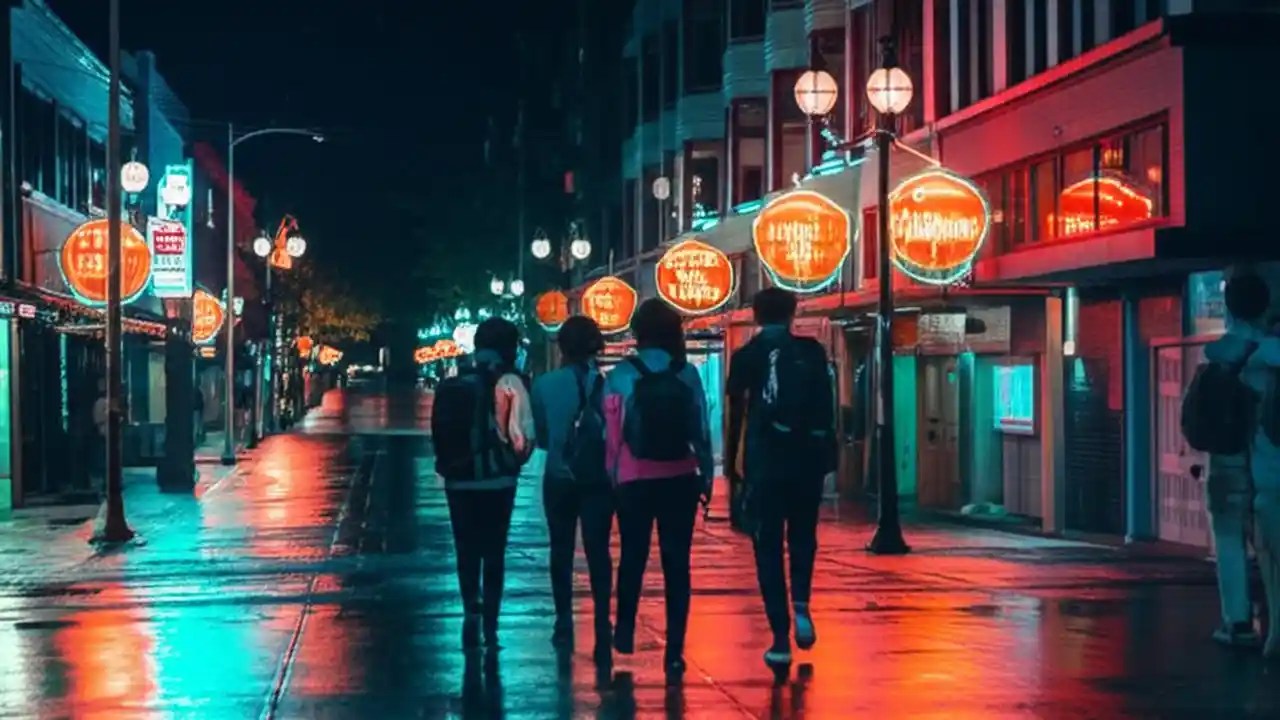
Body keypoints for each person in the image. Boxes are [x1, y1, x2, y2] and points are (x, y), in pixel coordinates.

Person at [724, 288, 837, 669]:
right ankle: (802, 604)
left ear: (756, 315)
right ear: (792, 314)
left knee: (768, 546)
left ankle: (779, 636)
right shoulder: (812, 352)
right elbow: (827, 407)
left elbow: (736, 415)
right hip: (807, 464)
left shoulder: (747, 356)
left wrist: (732, 471)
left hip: (765, 463)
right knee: (803, 536)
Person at [604, 298, 713, 683]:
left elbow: (612, 437)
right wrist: (708, 478)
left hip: (635, 479)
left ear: (637, 333)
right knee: (676, 564)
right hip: (680, 476)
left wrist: (614, 478)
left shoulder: (620, 375)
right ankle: (675, 649)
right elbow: (700, 429)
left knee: (632, 556)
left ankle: (625, 631)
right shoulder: (686, 374)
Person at [431, 317, 535, 651]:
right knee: (494, 550)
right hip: (499, 480)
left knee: (465, 546)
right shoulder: (512, 383)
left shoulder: (453, 383)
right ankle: (491, 617)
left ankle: (470, 607)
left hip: (459, 479)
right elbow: (524, 438)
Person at [531, 316, 615, 662]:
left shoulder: (544, 385)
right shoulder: (610, 384)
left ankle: (564, 618)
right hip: (599, 479)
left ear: (561, 346)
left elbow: (540, 437)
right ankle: (602, 618)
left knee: (560, 549)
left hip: (559, 476)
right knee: (599, 550)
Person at [1199, 274, 1267, 648]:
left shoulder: (1222, 356)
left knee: (1229, 541)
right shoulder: (1270, 354)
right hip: (1270, 463)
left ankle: (1237, 621)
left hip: (1228, 460)